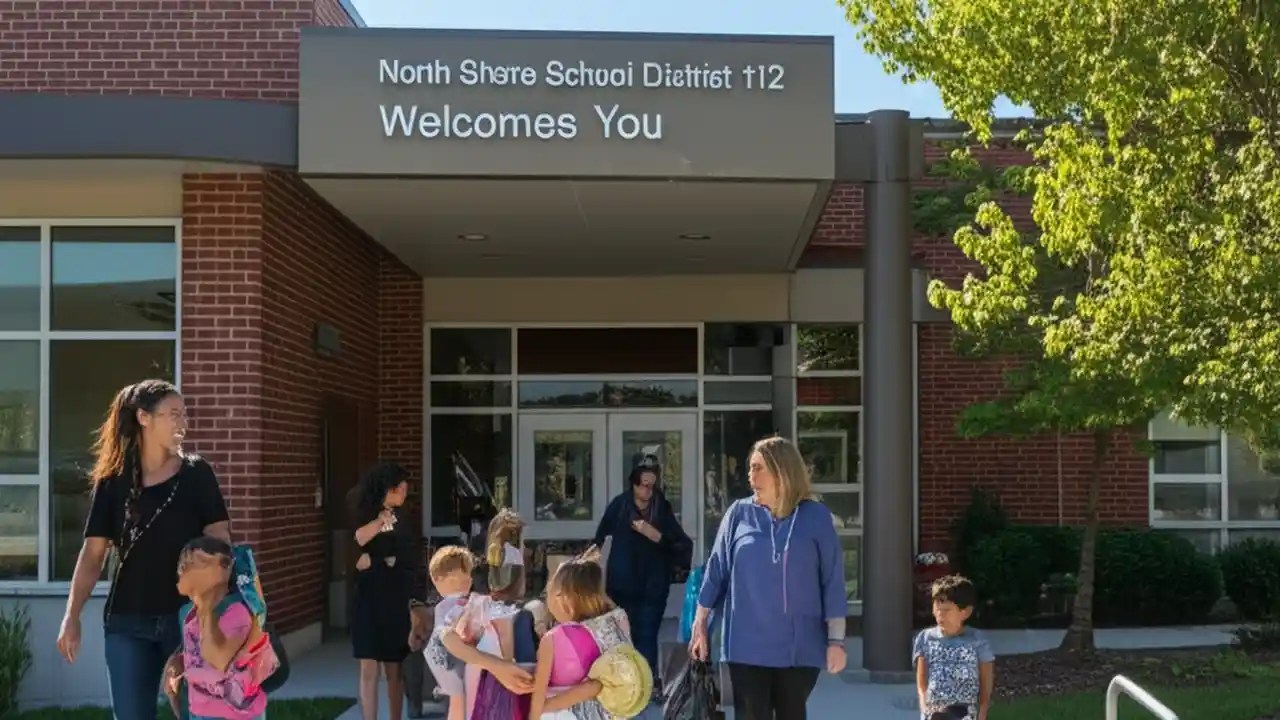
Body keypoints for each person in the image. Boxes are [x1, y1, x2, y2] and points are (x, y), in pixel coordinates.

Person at [57, 379, 232, 720]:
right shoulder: (114, 482)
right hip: (128, 624)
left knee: (206, 714)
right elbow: (93, 556)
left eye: (185, 414)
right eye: (173, 414)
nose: (183, 422)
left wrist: (209, 604)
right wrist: (71, 615)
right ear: (144, 418)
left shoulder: (198, 475)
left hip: (190, 621)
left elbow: (222, 541)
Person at [689, 436, 847, 720]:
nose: (750, 476)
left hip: (799, 649)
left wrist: (836, 641)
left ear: (782, 471)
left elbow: (832, 580)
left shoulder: (815, 517)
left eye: (758, 468)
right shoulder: (739, 513)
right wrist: (700, 623)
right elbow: (716, 571)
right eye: (750, 468)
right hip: (746, 645)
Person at [592, 460, 690, 689]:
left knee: (646, 637)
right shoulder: (620, 506)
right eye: (643, 485)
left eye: (651, 485)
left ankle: (646, 686)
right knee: (623, 637)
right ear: (634, 484)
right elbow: (599, 538)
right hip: (621, 586)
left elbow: (680, 544)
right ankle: (625, 686)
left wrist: (656, 536)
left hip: (652, 588)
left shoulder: (661, 508)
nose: (647, 490)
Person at [168, 537, 278, 720]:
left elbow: (218, 658)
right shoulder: (187, 613)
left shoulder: (238, 612)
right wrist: (177, 663)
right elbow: (194, 651)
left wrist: (205, 605)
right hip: (201, 711)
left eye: (197, 564)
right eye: (183, 564)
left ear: (223, 572)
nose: (184, 569)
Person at [351, 461, 428, 720]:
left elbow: (409, 556)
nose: (405, 493)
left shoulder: (404, 518)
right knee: (368, 665)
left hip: (395, 597)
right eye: (401, 488)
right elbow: (356, 543)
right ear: (388, 488)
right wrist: (379, 524)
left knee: (394, 668)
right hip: (367, 598)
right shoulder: (363, 511)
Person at [529, 546, 642, 720]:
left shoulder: (552, 639)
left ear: (562, 598)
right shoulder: (614, 626)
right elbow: (595, 686)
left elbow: (537, 705)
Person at [913, 575, 995, 720]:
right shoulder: (925, 638)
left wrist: (982, 714)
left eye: (946, 610)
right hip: (935, 710)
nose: (940, 615)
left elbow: (986, 682)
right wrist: (925, 708)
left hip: (965, 710)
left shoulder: (977, 640)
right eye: (937, 609)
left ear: (965, 612)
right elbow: (922, 682)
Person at [424, 545, 475, 720]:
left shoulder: (445, 605)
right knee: (459, 698)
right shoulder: (461, 604)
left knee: (456, 699)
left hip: (443, 659)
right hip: (452, 660)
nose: (469, 580)